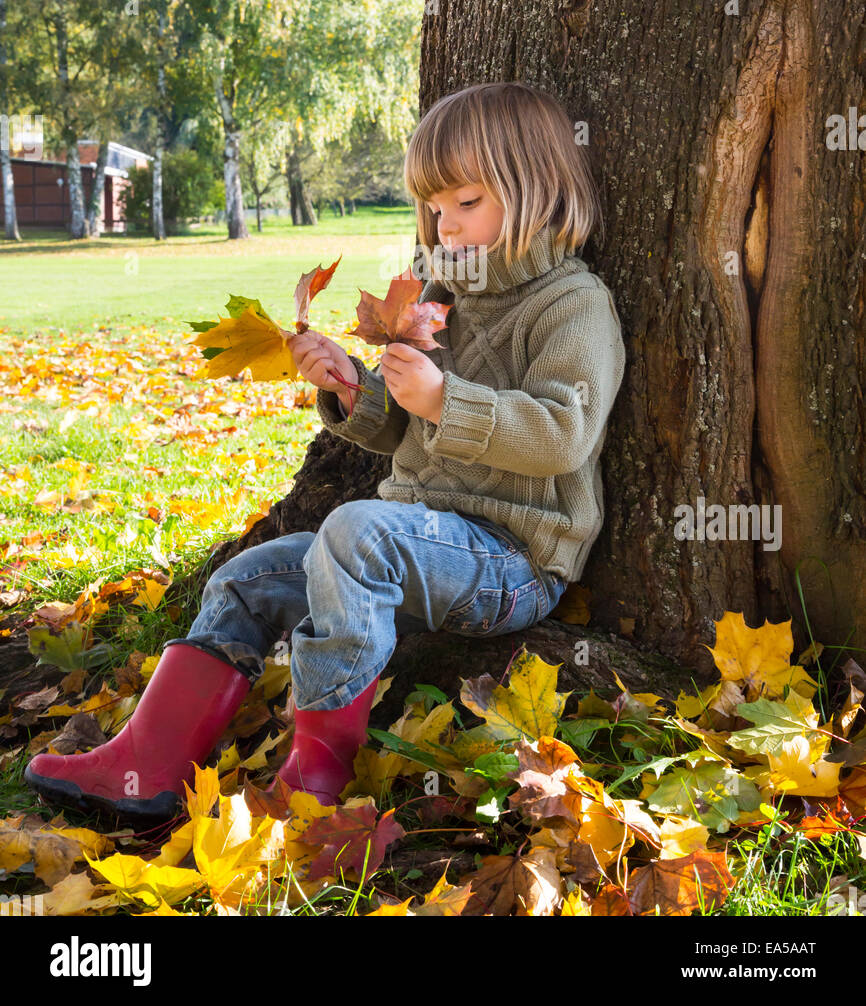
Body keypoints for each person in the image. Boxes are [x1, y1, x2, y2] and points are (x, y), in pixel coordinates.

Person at [24, 82, 626, 823]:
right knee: (249, 576)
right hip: (408, 543)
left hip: (512, 559)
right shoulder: (441, 293)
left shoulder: (571, 305)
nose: (446, 225)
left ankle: (315, 785)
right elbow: (407, 431)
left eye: (466, 203)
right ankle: (145, 764)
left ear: (538, 189)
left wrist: (445, 400)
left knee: (355, 530)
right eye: (434, 209)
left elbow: (565, 435)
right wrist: (356, 390)